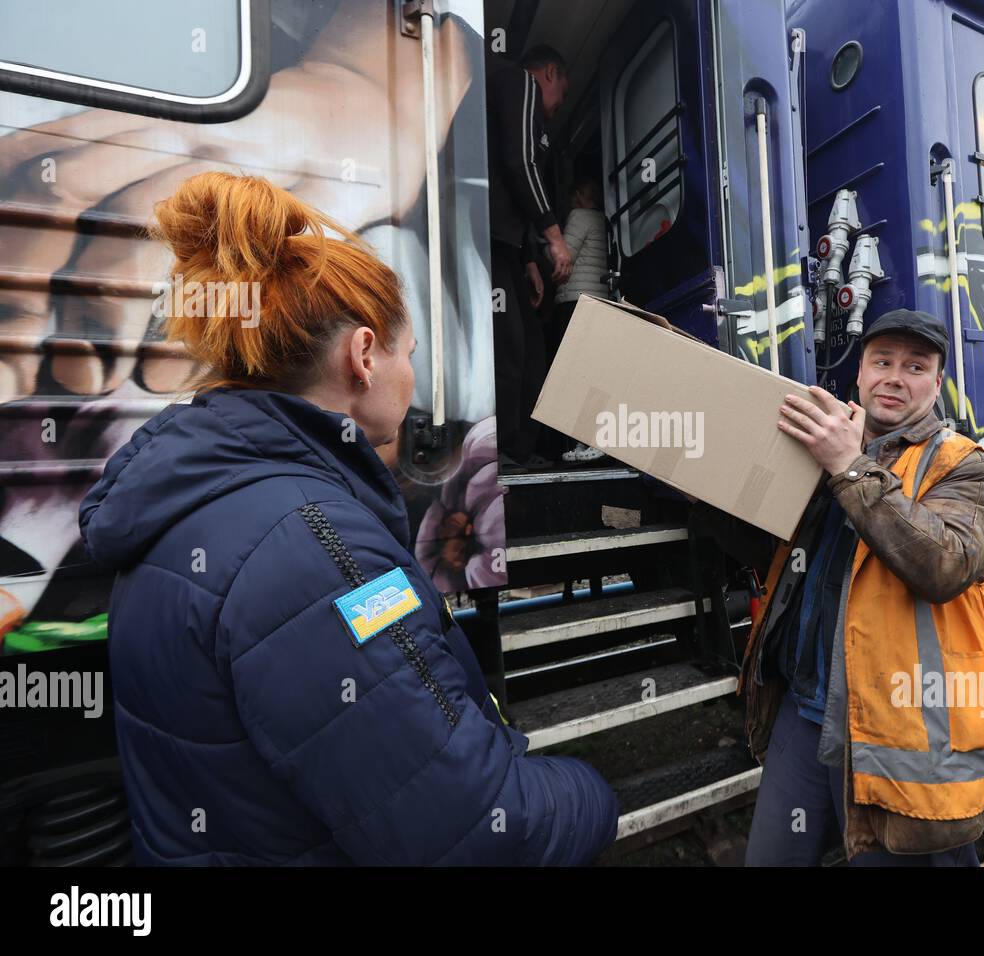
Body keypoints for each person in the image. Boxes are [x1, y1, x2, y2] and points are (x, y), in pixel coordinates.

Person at [78, 172, 618, 865]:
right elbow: (482, 833)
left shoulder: (182, 506)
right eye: (409, 354)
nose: (414, 379)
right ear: (364, 356)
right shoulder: (320, 556)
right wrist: (591, 793)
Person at [734, 309, 984, 866]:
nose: (895, 377)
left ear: (937, 384)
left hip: (901, 728)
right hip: (805, 708)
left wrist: (850, 466)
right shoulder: (818, 449)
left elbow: (943, 565)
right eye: (882, 361)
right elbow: (767, 553)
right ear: (861, 374)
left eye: (915, 366)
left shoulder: (970, 470)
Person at [487, 45, 571, 471]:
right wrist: (554, 236)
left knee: (532, 349)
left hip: (510, 248)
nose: (556, 110)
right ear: (549, 73)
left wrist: (529, 261)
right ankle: (501, 449)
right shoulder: (518, 82)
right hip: (486, 243)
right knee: (510, 347)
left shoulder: (522, 100)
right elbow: (519, 163)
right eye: (562, 95)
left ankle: (521, 449)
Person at [551, 175, 610, 464]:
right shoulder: (604, 219)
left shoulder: (578, 216)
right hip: (599, 302)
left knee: (575, 378)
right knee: (594, 374)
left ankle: (587, 441)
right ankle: (594, 440)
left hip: (575, 301)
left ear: (577, 194)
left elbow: (565, 257)